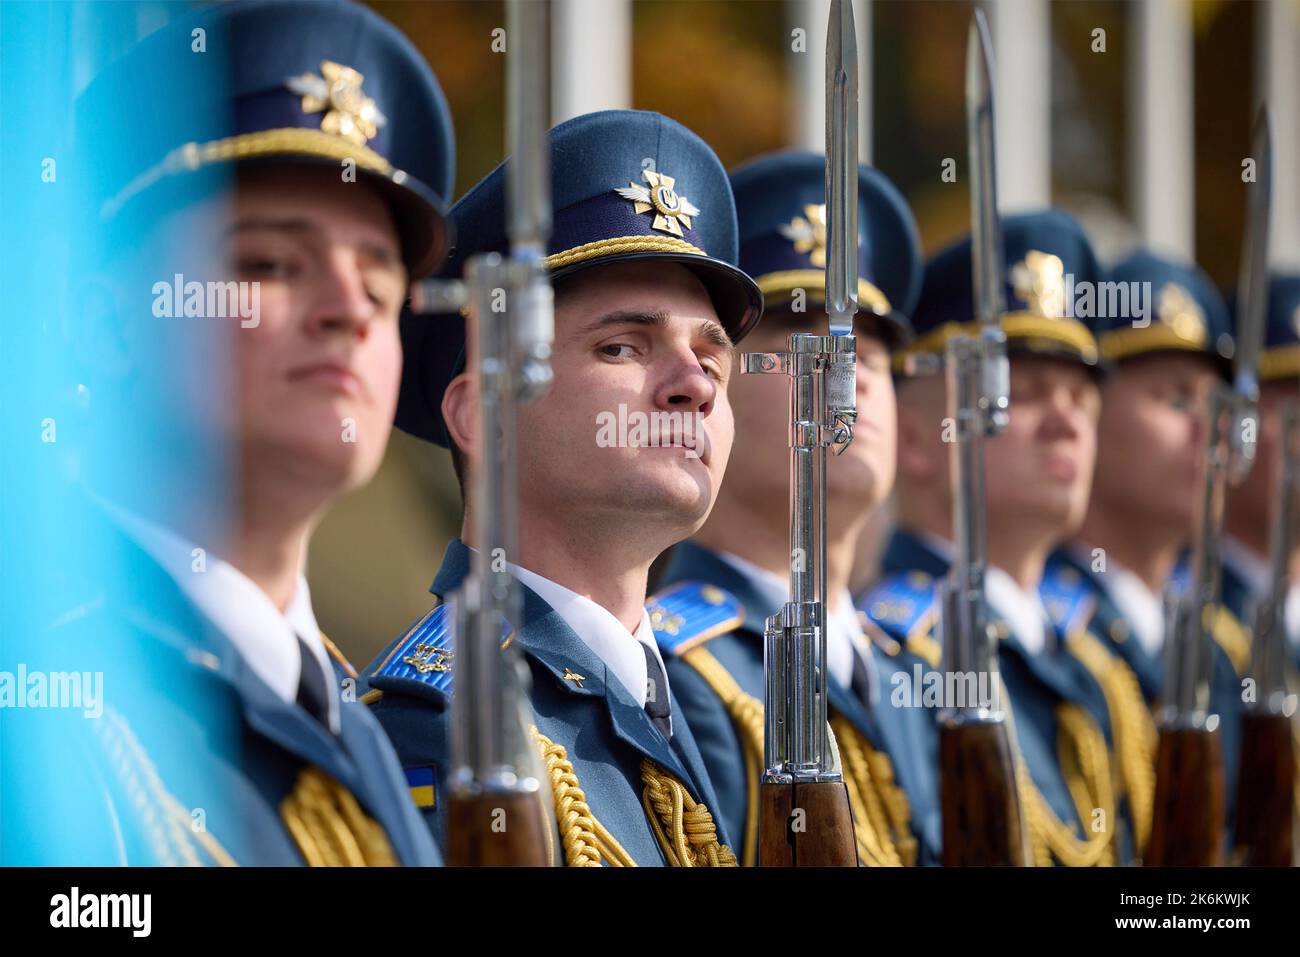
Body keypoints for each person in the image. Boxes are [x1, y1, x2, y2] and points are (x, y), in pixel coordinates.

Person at [11, 0, 454, 865]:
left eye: (379, 281)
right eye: (269, 263)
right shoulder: (41, 699)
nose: (349, 312)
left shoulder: (345, 715)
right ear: (104, 323)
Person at [361, 109, 763, 866]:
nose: (693, 387)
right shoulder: (439, 728)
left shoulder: (687, 711)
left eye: (713, 360)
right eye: (622, 346)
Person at [648, 150, 934, 865]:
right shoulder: (677, 675)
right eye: (803, 340)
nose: (851, 372)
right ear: (713, 384)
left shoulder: (906, 673)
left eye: (872, 349)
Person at [858, 210, 1132, 866]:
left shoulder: (1087, 656)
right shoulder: (901, 660)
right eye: (1026, 393)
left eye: (1081, 397)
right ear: (918, 439)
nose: (1067, 421)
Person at [1043, 250, 1244, 850]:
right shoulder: (1055, 640)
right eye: (1177, 400)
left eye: (1217, 406)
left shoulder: (1220, 640)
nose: (1208, 433)